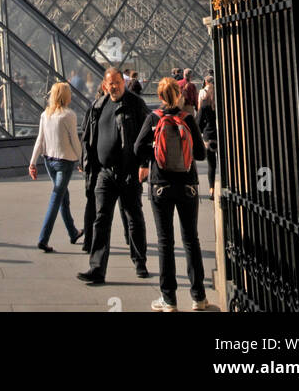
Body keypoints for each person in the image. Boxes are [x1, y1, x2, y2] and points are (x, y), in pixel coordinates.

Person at [134, 76, 208, 312]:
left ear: (159, 96)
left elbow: (137, 148)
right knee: (191, 239)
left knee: (165, 242)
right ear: (179, 94)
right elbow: (200, 155)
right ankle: (198, 297)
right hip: (188, 185)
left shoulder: (153, 118)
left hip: (161, 185)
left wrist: (154, 152)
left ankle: (169, 300)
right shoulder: (188, 118)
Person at [77, 67, 150, 285]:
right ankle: (97, 269)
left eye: (118, 82)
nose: (115, 86)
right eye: (111, 83)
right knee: (101, 220)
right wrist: (86, 163)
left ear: (124, 82)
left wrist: (144, 164)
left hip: (128, 172)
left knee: (133, 218)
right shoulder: (97, 106)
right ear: (104, 85)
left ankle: (140, 262)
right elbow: (88, 137)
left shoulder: (136, 104)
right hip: (104, 173)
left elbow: (148, 136)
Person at [28, 81, 83, 251]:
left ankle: (73, 232)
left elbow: (40, 139)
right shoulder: (69, 115)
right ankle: (43, 239)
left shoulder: (46, 114)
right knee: (56, 197)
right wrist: (82, 160)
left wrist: (32, 162)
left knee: (62, 197)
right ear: (65, 96)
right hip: (65, 162)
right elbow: (74, 140)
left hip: (48, 161)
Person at [197, 76, 218, 199]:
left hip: (209, 136)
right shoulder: (222, 103)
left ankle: (212, 189)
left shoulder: (205, 105)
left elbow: (199, 123)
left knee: (211, 163)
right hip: (221, 135)